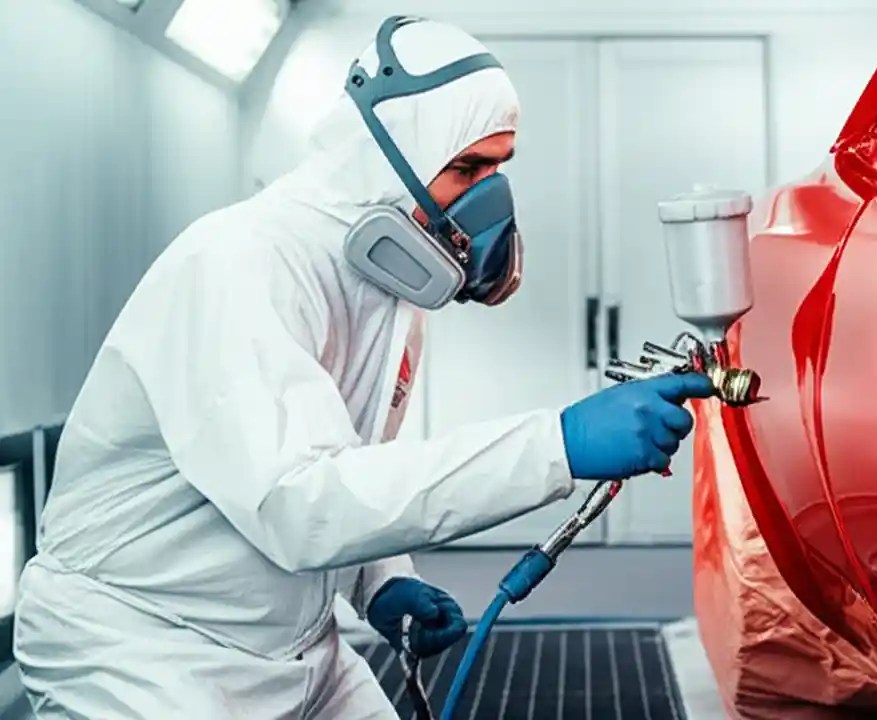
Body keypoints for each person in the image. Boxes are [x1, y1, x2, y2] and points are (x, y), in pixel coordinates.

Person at [14, 16, 712, 719]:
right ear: (391, 156)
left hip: (296, 650)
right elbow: (300, 501)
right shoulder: (238, 265)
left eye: (499, 168)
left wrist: (380, 581)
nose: (488, 199)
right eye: (468, 169)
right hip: (143, 647)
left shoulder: (392, 292)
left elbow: (347, 466)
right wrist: (554, 444)